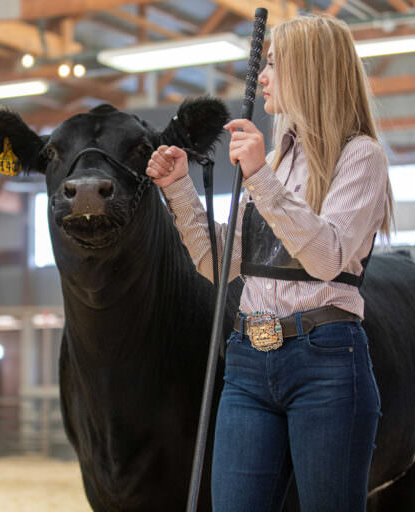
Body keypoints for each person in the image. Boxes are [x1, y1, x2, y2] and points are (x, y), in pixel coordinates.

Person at [146, 14, 394, 512]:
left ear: (310, 71)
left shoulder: (360, 156)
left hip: (325, 360)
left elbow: (326, 258)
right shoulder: (276, 160)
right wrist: (179, 189)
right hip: (248, 360)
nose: (261, 77)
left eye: (274, 65)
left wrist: (258, 175)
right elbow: (220, 264)